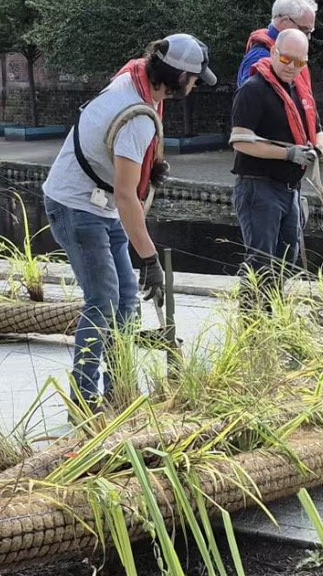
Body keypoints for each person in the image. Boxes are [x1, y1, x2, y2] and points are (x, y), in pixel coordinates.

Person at [42, 34, 214, 410]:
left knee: (126, 302)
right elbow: (125, 196)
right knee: (102, 300)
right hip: (76, 205)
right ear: (177, 75)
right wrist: (149, 260)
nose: (197, 83)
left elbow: (119, 167)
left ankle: (119, 392)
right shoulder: (136, 118)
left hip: (99, 203)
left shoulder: (138, 76)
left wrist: (147, 165)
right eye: (195, 77)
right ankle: (84, 401)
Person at [229, 28, 323, 295]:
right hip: (258, 185)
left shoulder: (299, 90)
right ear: (274, 53)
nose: (292, 67)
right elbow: (240, 142)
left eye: (300, 63)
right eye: (286, 59)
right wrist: (288, 154)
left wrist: (322, 148)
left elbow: (316, 129)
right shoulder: (253, 90)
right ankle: (253, 322)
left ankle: (274, 316)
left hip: (290, 189)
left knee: (288, 258)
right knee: (261, 262)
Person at [236, 0, 318, 87]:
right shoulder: (259, 58)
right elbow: (249, 98)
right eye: (304, 30)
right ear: (284, 21)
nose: (308, 37)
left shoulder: (271, 50)